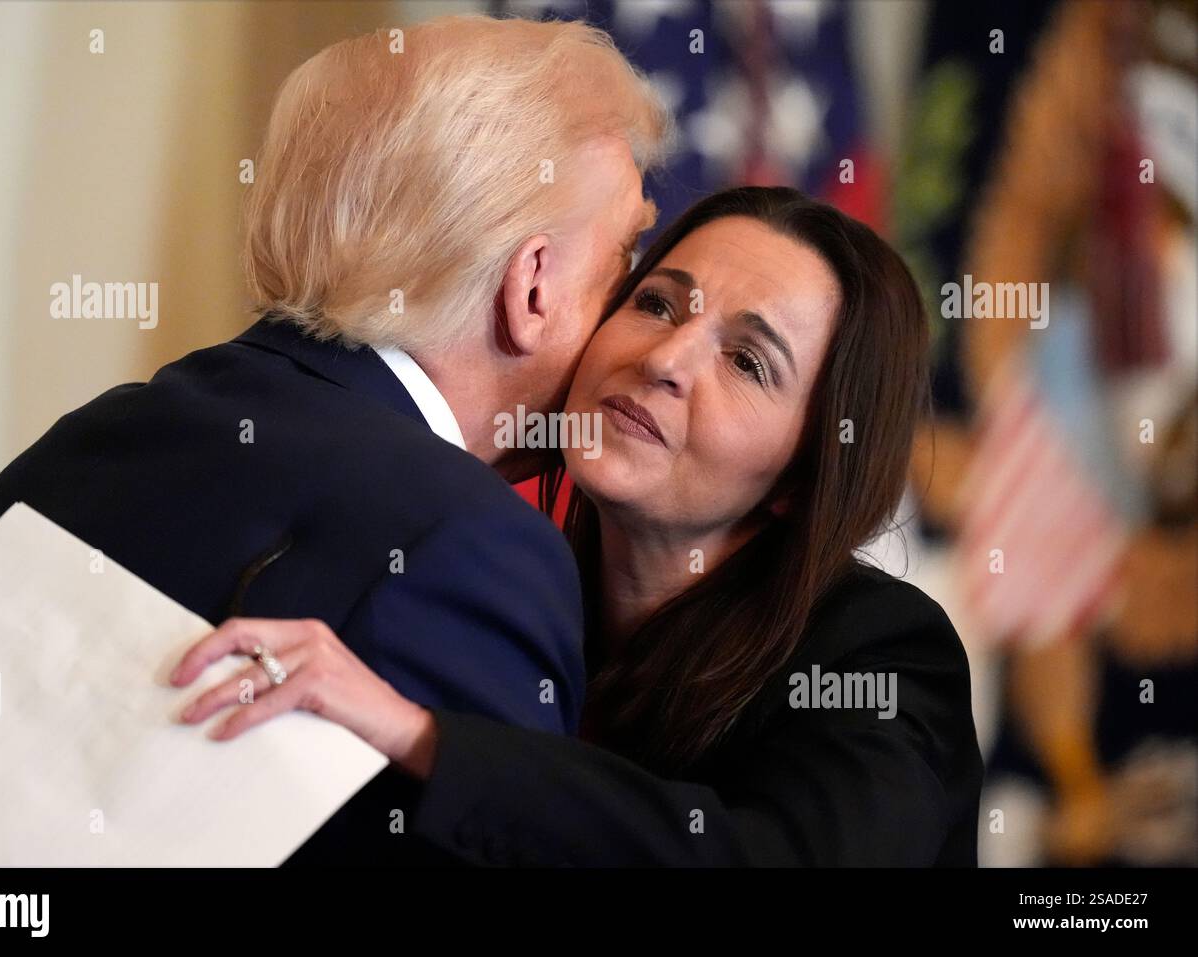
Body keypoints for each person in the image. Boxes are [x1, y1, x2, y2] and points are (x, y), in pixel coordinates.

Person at [0, 15, 669, 865]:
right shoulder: (474, 547)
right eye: (627, 251)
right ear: (533, 287)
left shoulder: (106, 427)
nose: (643, 317)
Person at [173, 186, 986, 866]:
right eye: (658, 303)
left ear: (804, 478)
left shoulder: (883, 649)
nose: (666, 359)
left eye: (747, 362)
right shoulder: (504, 587)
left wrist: (424, 739)